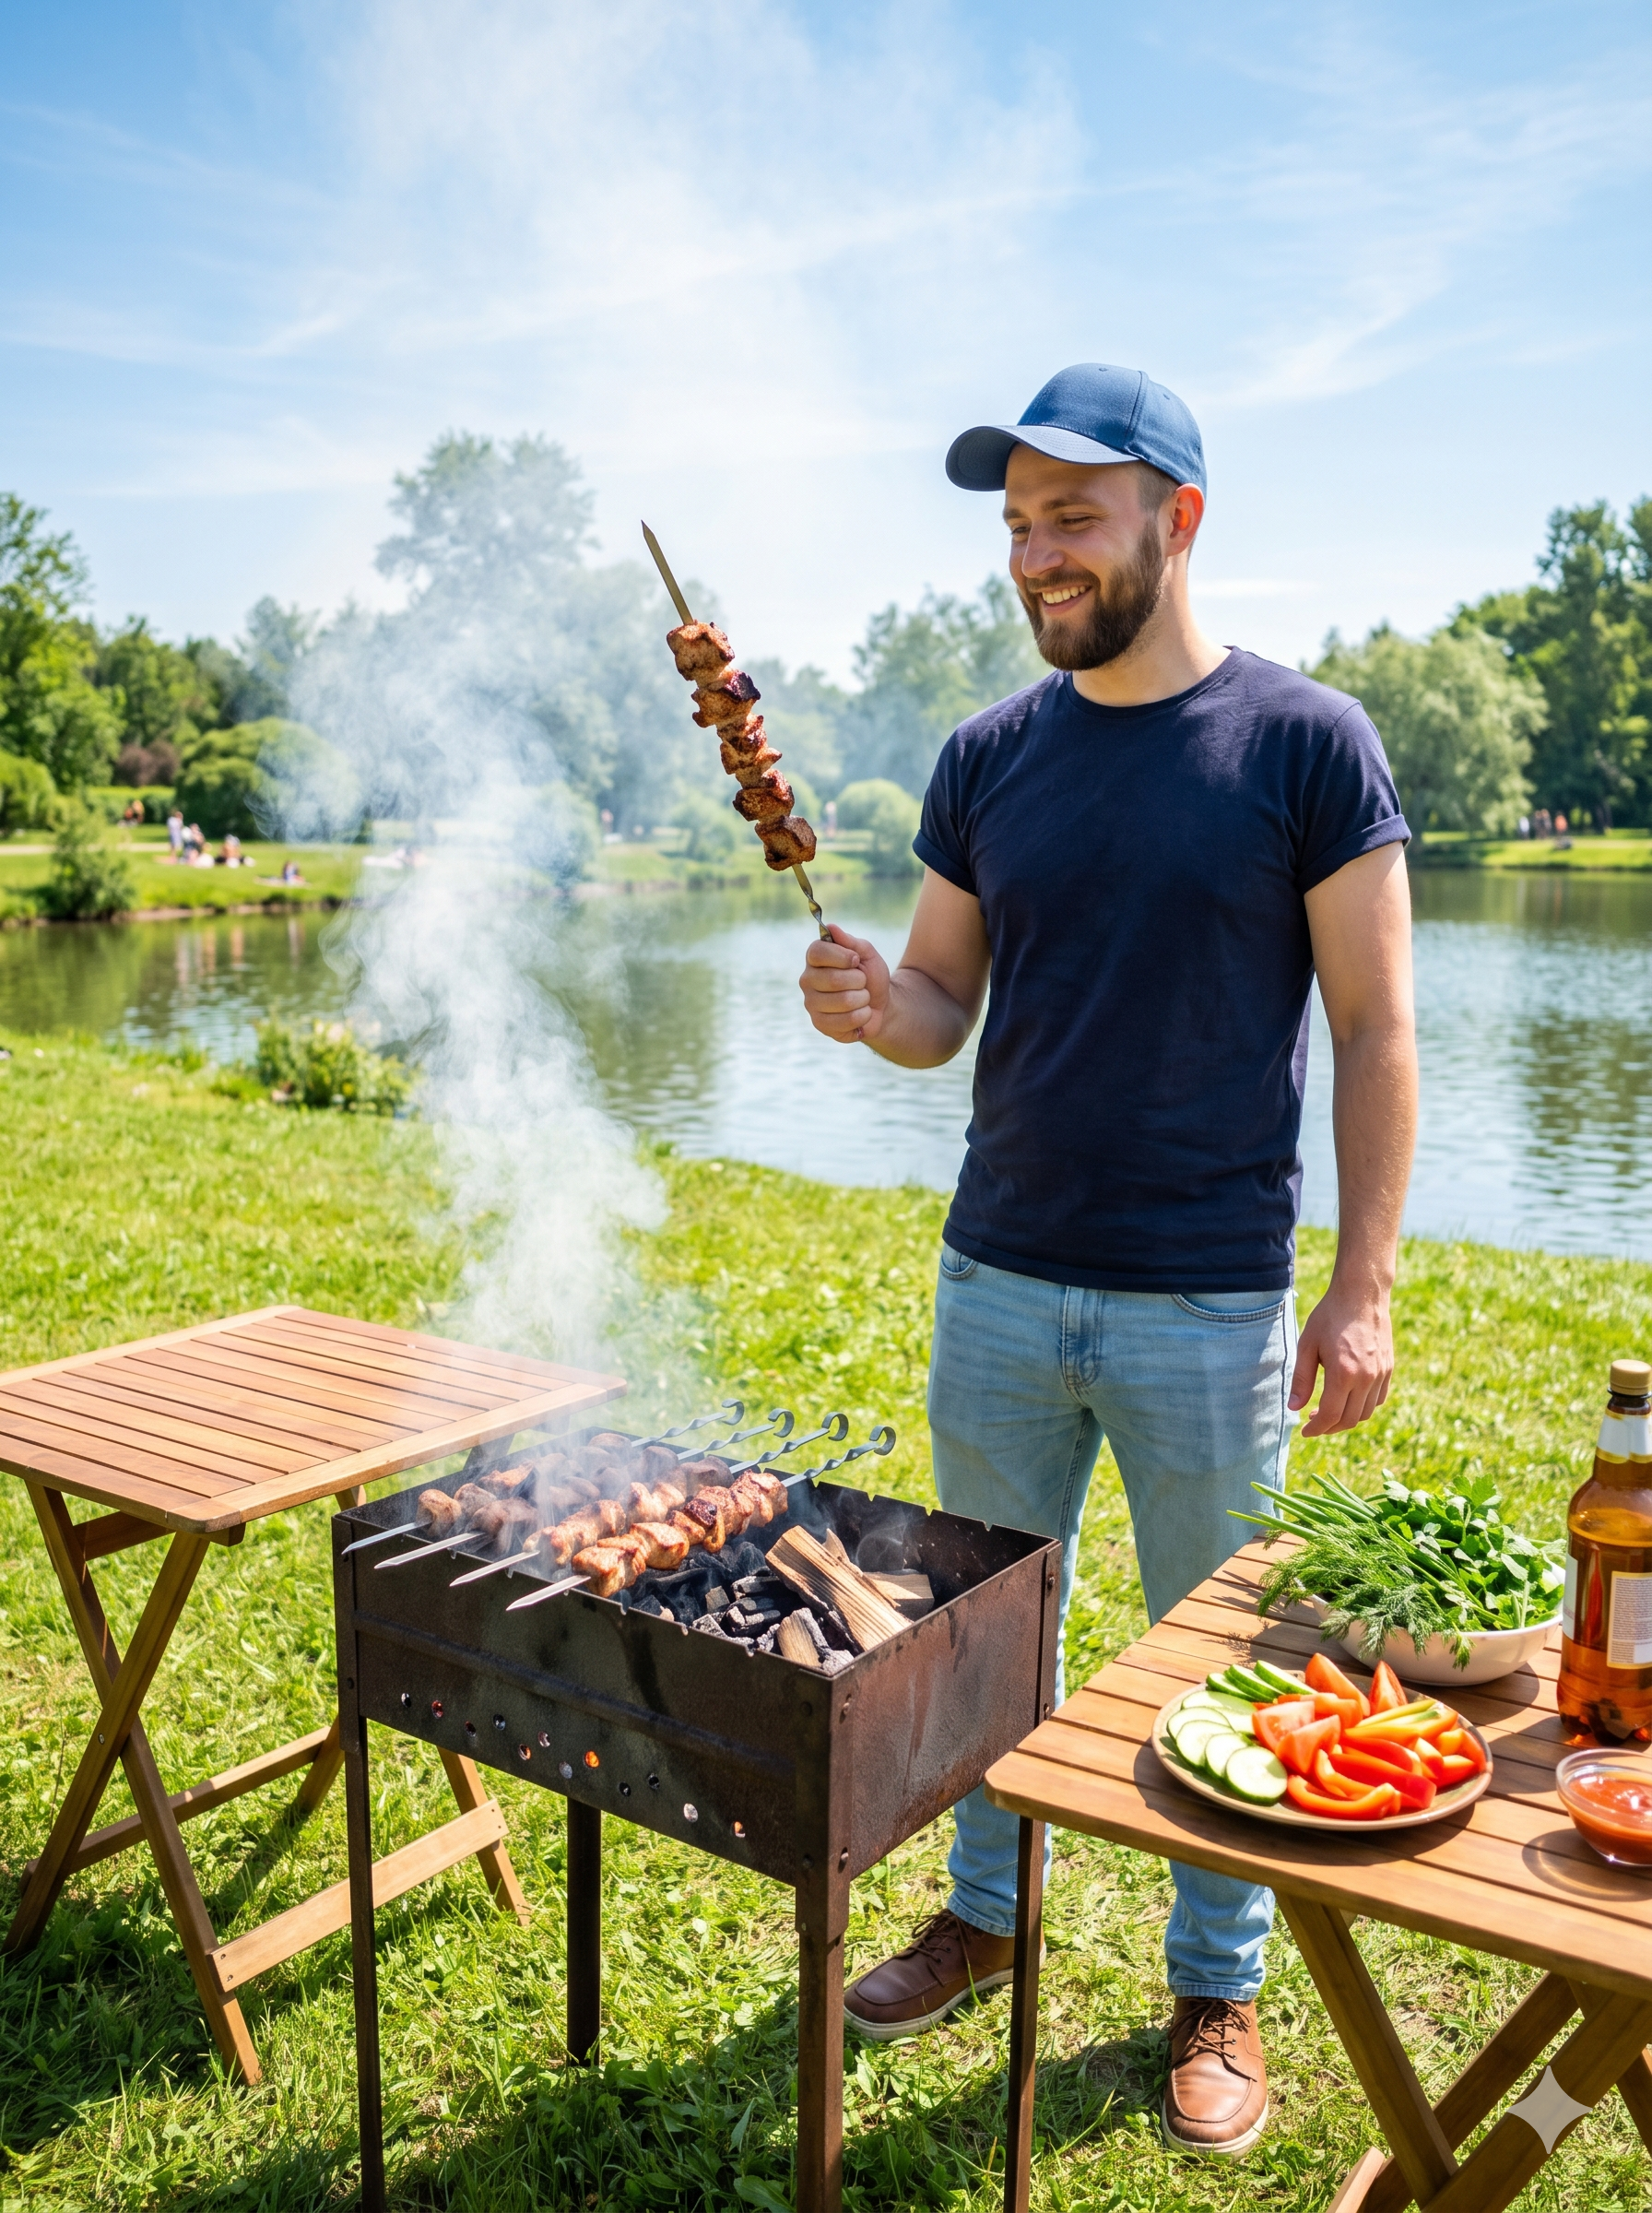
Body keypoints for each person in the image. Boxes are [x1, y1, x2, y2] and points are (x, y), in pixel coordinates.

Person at [798, 363, 1418, 2160]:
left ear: (1176, 520)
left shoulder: (1303, 745)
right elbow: (934, 1005)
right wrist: (866, 1009)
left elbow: (1376, 1030)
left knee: (1211, 1656)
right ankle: (986, 1915)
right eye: (1013, 524)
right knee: (985, 1636)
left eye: (1071, 516)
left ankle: (1211, 1983)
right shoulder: (987, 756)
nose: (1035, 555)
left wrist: (1358, 1285)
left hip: (1208, 1304)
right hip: (997, 1280)